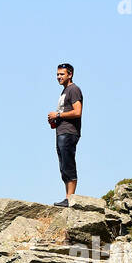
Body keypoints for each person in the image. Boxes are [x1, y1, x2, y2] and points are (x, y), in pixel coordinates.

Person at [47, 63, 83, 206]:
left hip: (69, 132)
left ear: (70, 74)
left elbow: (77, 112)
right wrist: (55, 119)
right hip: (61, 131)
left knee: (68, 164)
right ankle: (67, 197)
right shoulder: (65, 92)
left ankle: (70, 198)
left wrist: (59, 114)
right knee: (63, 166)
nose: (58, 77)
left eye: (62, 74)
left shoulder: (74, 90)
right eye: (57, 74)